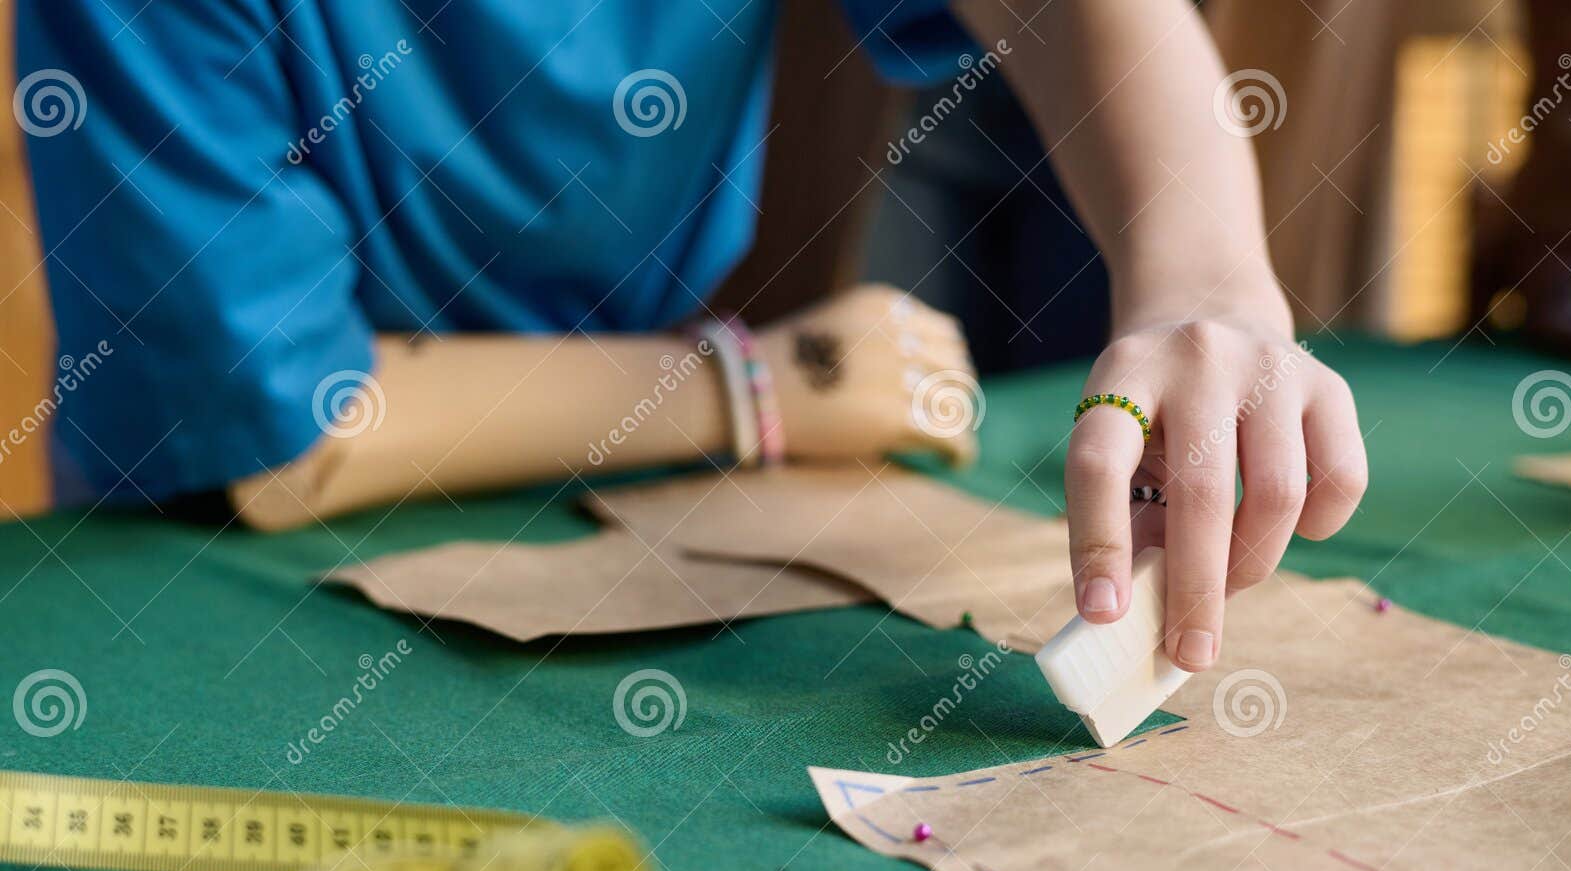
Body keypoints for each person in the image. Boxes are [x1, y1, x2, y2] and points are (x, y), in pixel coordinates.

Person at [17, 0, 1367, 674]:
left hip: (631, 514)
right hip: (215, 585)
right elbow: (281, 442)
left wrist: (1208, 285)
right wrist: (753, 387)